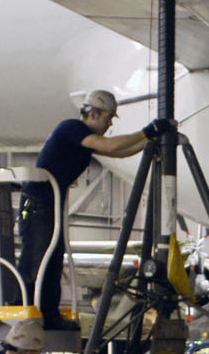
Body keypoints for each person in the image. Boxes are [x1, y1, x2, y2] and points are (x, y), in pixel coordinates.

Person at [19, 89, 160, 328]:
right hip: (39, 206)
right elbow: (110, 146)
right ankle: (23, 307)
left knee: (53, 259)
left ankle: (47, 314)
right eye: (108, 118)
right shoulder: (72, 128)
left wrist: (150, 140)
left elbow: (121, 151)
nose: (109, 124)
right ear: (94, 113)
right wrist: (147, 131)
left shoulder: (82, 139)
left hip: (51, 207)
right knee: (38, 258)